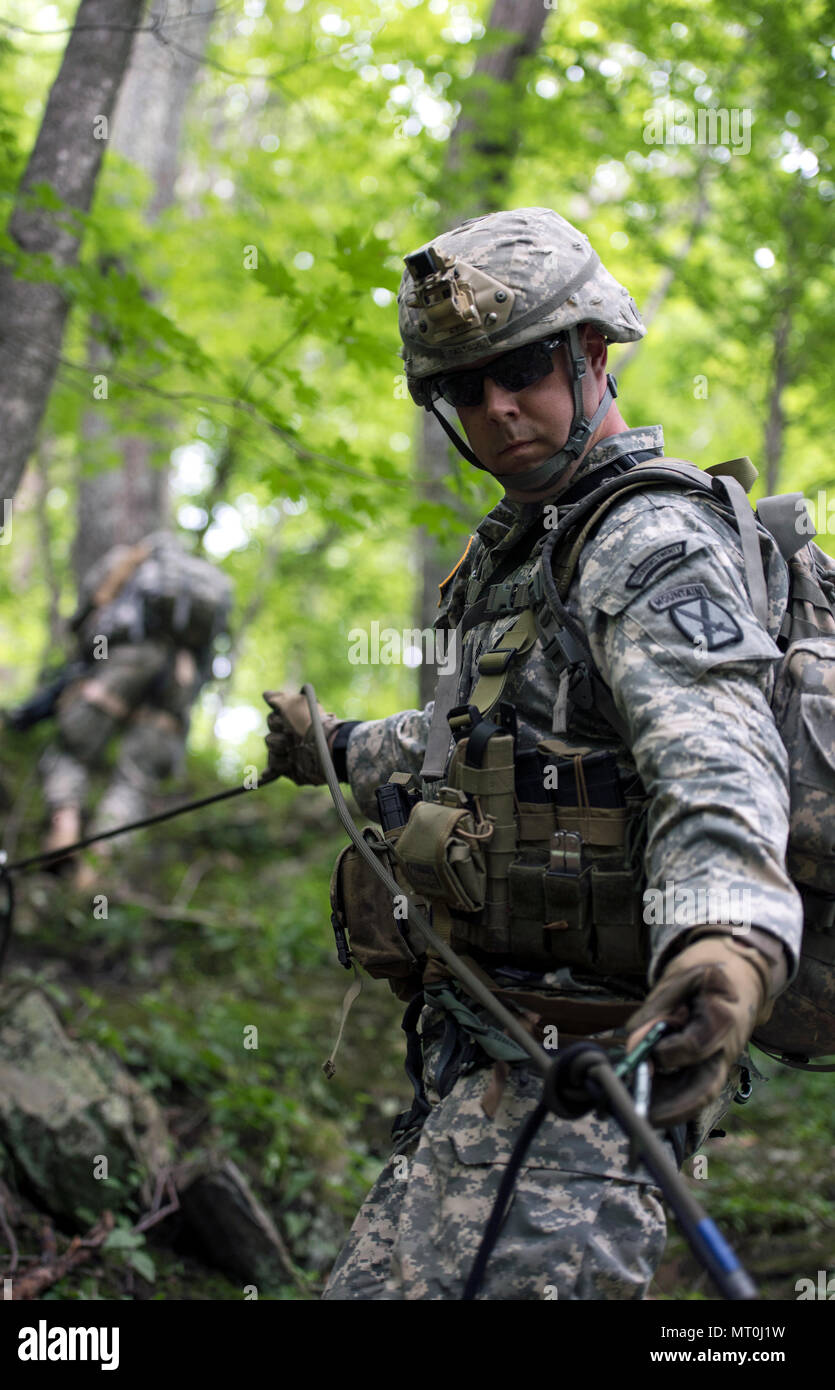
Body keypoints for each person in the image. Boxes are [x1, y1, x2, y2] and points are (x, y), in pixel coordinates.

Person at [263, 207, 802, 1300]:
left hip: (590, 1081)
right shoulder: (523, 550)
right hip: (483, 1057)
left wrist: (727, 941)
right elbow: (488, 751)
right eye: (465, 387)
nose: (498, 405)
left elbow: (718, 754)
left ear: (592, 352)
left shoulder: (649, 541)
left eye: (522, 366)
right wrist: (337, 748)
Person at [36, 529, 232, 874]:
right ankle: (96, 869)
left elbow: (87, 614)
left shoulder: (127, 562)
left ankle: (64, 830)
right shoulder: (198, 586)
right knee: (135, 778)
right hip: (178, 674)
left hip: (124, 660)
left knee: (72, 749)